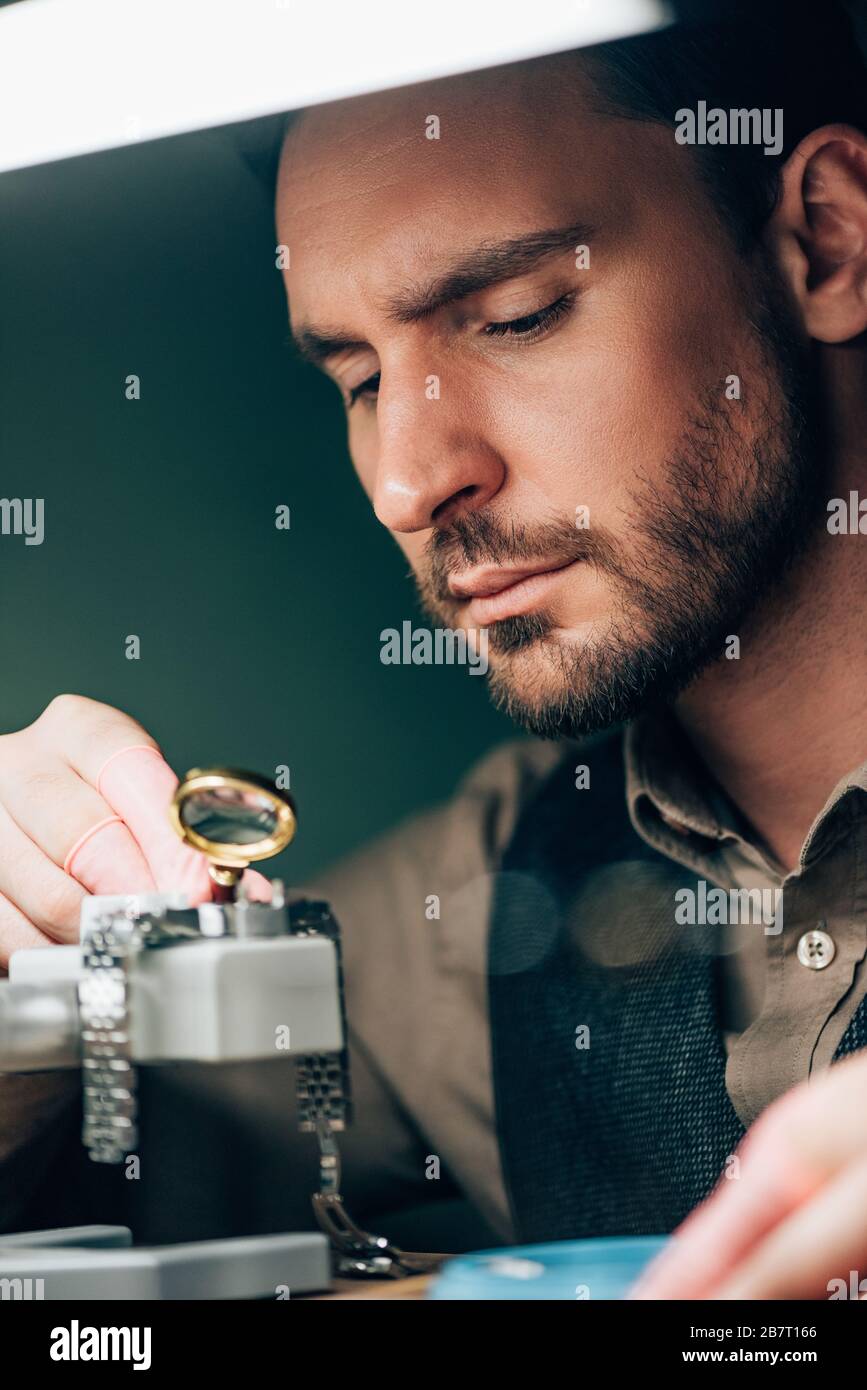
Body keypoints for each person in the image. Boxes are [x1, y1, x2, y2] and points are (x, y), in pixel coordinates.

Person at [2, 0, 867, 1297]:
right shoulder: (490, 907)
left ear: (826, 240)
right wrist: (27, 999)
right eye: (356, 378)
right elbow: (112, 1213)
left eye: (515, 313)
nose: (408, 481)